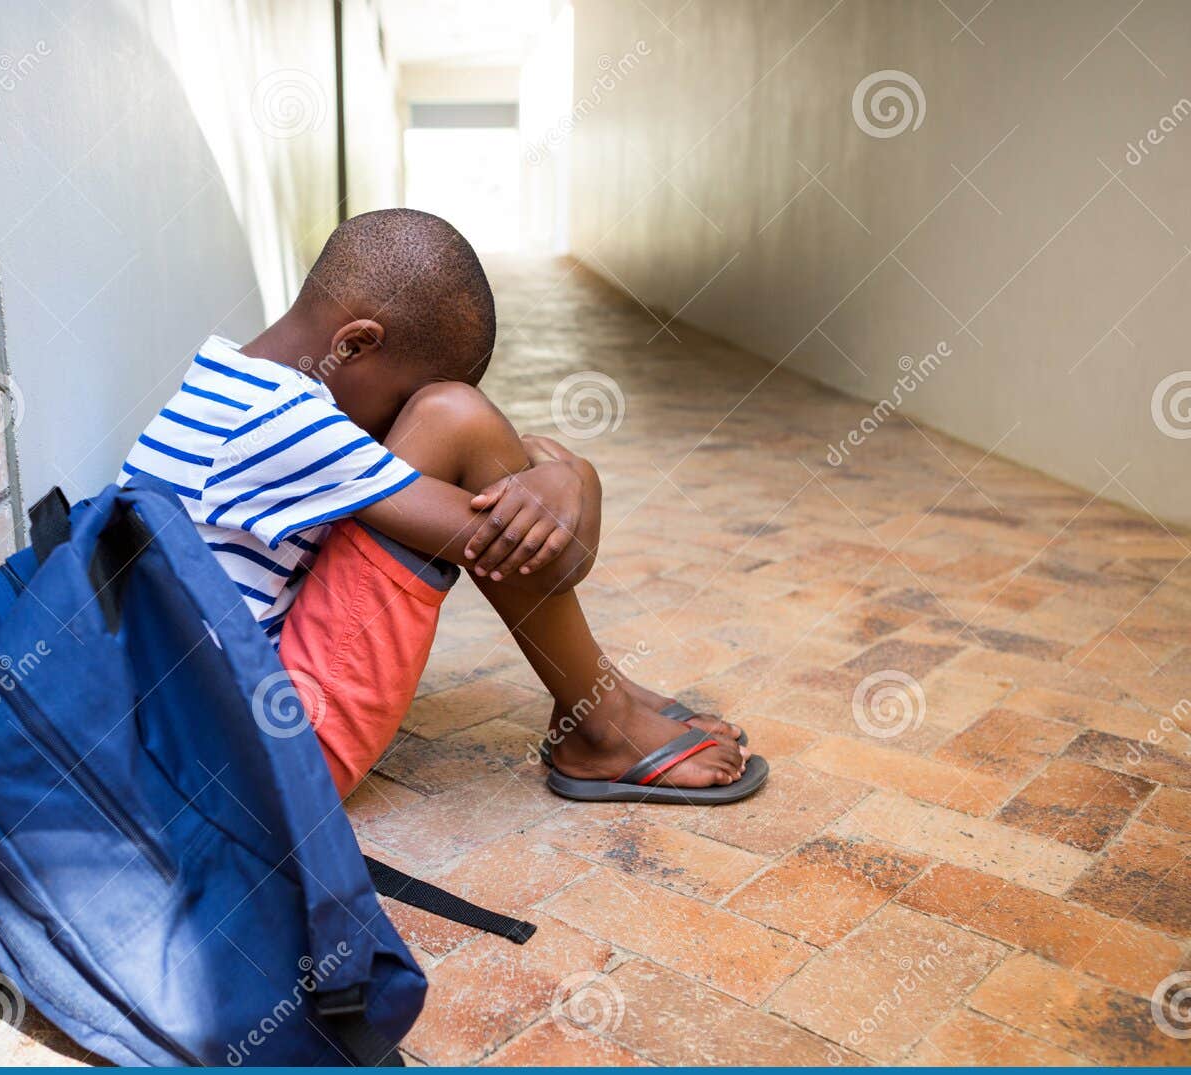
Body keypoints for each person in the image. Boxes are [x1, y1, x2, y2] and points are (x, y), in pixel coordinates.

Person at [119, 209, 764, 804]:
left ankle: (606, 702)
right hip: (260, 766)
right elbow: (542, 554)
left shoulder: (230, 384)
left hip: (192, 737)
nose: (397, 423)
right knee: (455, 417)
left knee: (460, 432)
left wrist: (548, 484)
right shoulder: (285, 423)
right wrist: (575, 477)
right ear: (354, 345)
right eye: (398, 400)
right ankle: (601, 725)